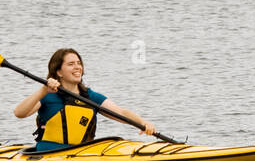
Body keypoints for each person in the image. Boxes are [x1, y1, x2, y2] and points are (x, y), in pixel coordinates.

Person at [14, 48, 159, 151]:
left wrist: (142, 122)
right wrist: (44, 89)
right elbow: (19, 113)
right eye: (71, 64)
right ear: (59, 72)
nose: (77, 67)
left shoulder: (90, 97)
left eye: (79, 63)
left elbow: (120, 112)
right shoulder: (47, 95)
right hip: (49, 155)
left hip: (81, 153)